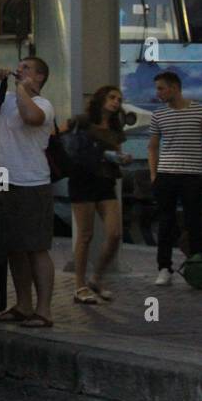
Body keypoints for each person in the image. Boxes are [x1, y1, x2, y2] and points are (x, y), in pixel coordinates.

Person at [0, 57, 57, 327]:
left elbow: (31, 118)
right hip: (3, 183)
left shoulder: (43, 105)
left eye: (27, 68)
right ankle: (23, 304)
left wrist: (22, 88)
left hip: (30, 184)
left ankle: (43, 310)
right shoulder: (5, 101)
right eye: (19, 67)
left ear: (39, 77)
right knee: (14, 249)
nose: (20, 71)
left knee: (36, 248)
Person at [67, 86, 132, 304]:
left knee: (114, 234)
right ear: (101, 99)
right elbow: (63, 140)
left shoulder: (115, 125)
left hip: (106, 181)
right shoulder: (82, 121)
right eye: (112, 97)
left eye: (119, 99)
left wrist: (122, 158)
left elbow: (118, 151)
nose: (115, 102)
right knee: (85, 235)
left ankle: (96, 277)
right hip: (82, 179)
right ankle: (80, 285)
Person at [147, 70, 202, 286]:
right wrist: (154, 174)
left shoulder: (199, 111)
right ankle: (164, 267)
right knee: (166, 222)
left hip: (193, 174)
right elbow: (152, 146)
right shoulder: (159, 115)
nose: (158, 93)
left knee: (194, 221)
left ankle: (196, 265)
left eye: (161, 88)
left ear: (174, 88)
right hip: (166, 174)